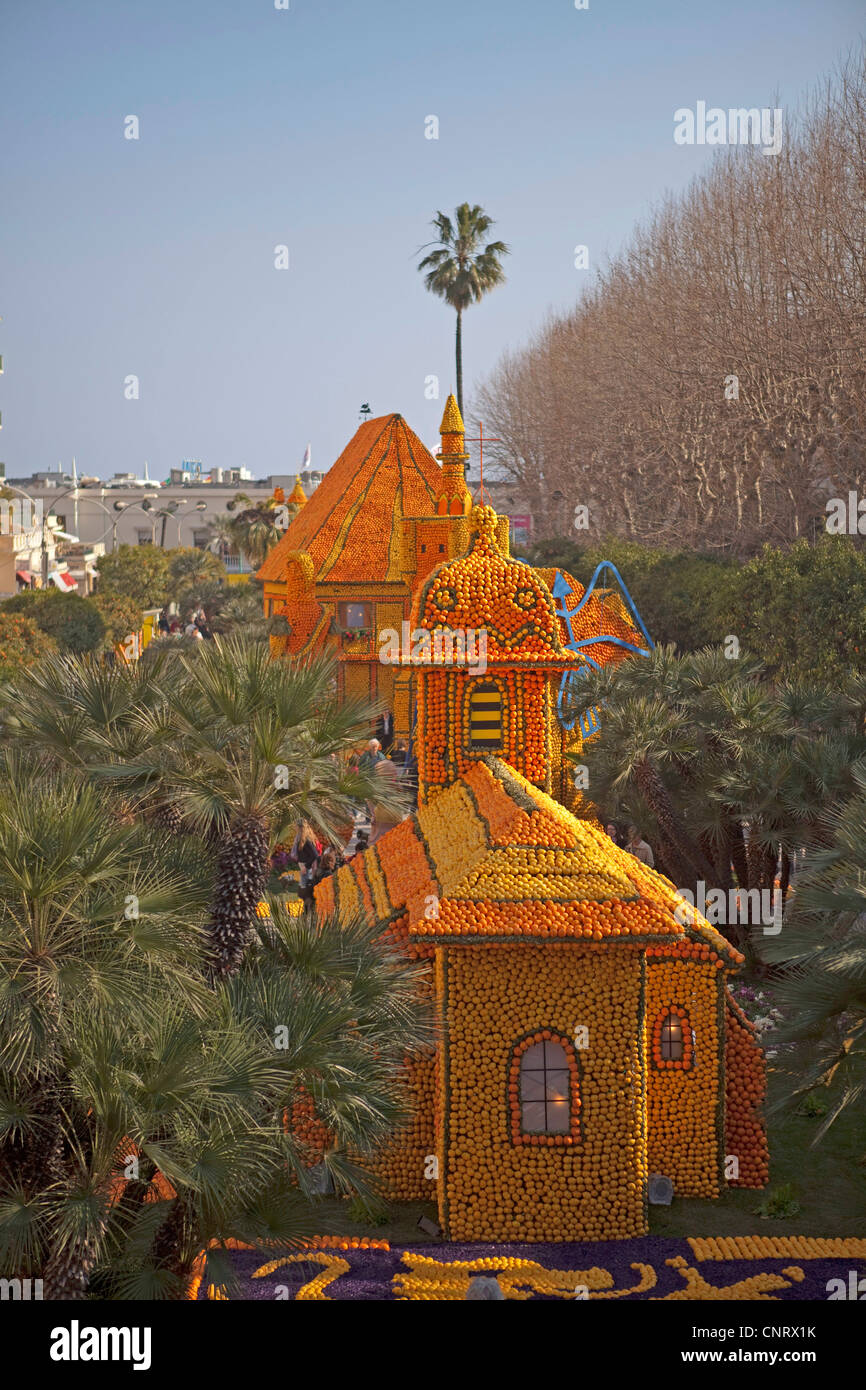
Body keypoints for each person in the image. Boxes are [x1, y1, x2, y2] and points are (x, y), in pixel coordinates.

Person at [291, 820, 320, 901]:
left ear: (300, 828)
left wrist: (305, 866)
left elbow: (315, 855)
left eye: (296, 826)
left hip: (306, 868)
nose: (295, 828)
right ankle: (306, 909)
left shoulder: (305, 840)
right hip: (304, 866)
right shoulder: (301, 838)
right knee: (304, 890)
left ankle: (307, 910)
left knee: (305, 890)